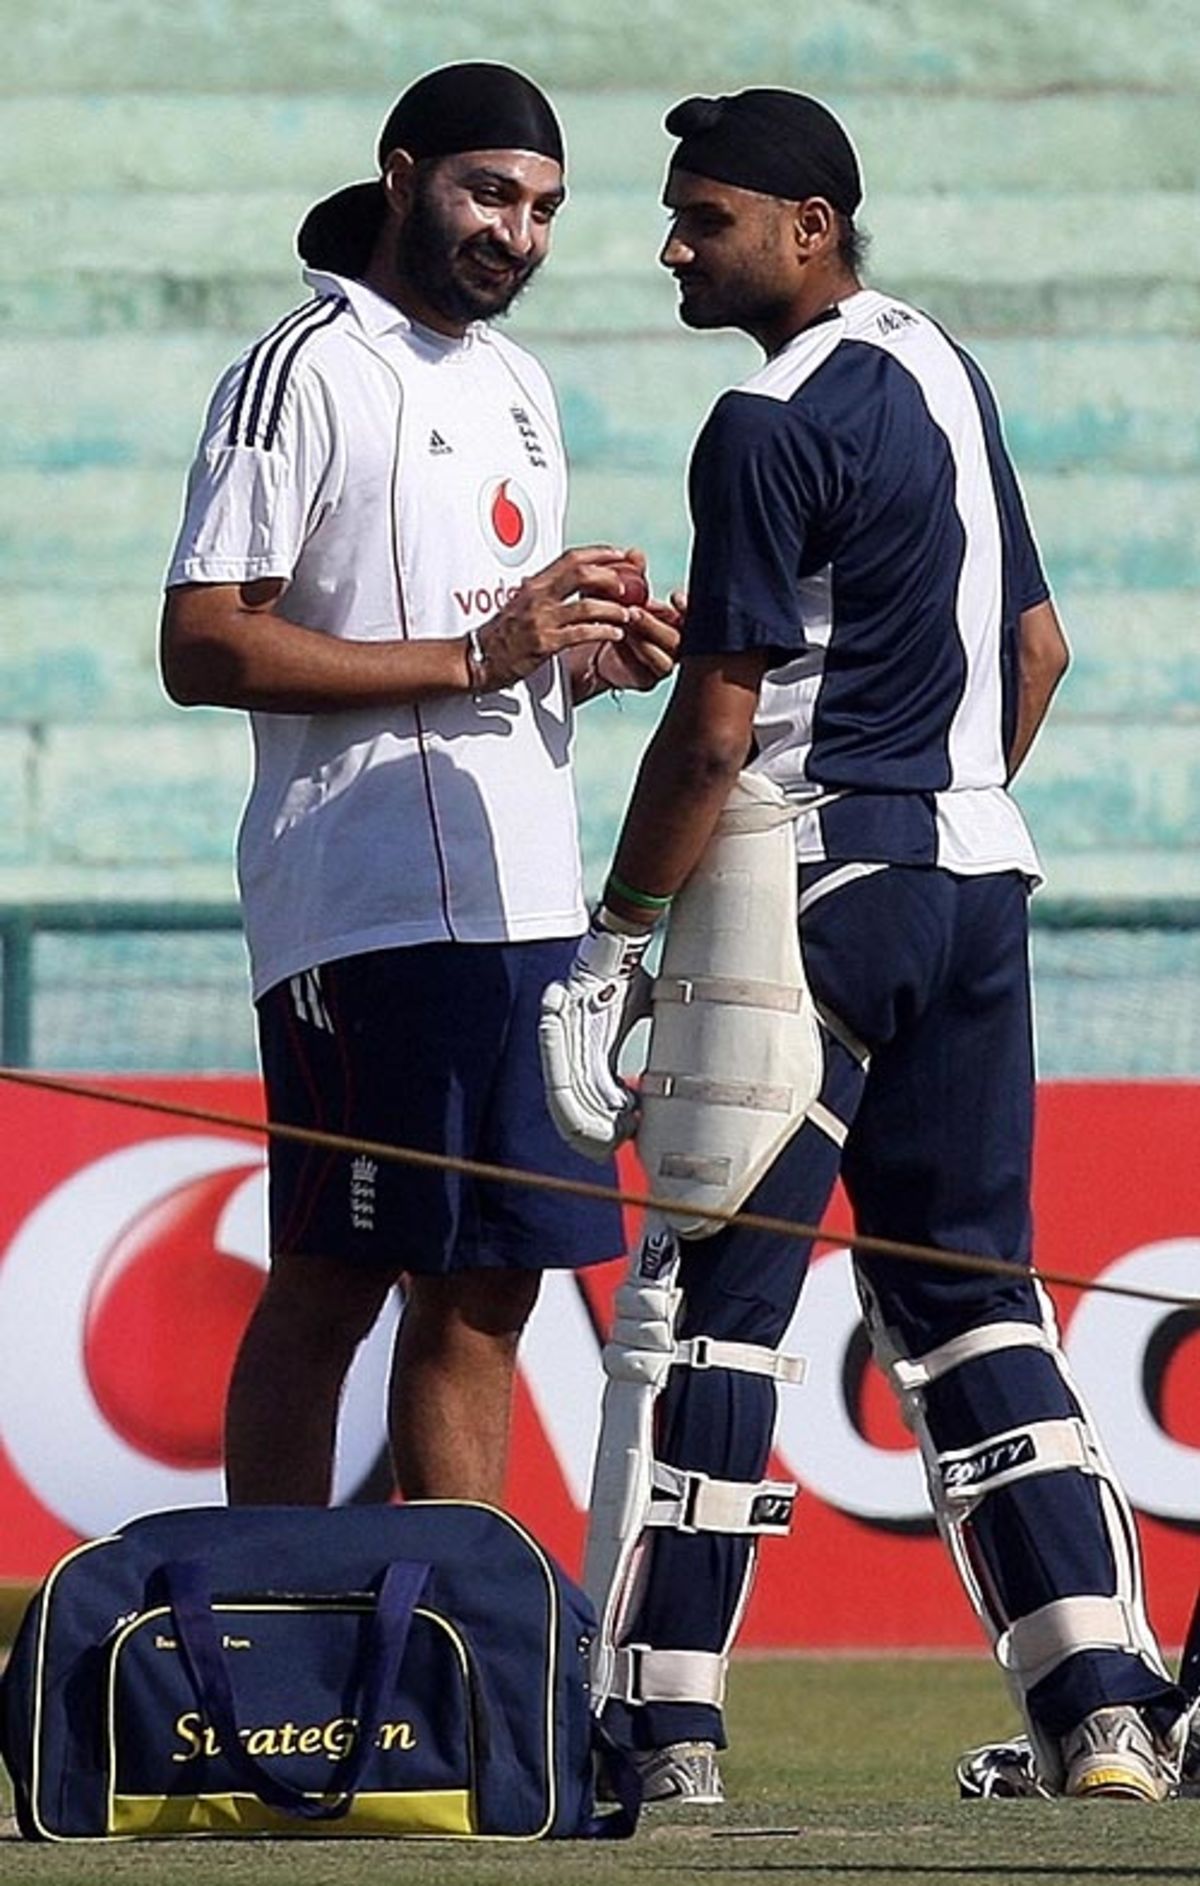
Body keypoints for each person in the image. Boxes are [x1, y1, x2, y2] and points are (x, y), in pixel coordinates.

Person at [540, 88, 1188, 1805]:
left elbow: (714, 723)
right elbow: (1040, 650)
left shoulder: (764, 419)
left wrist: (616, 937)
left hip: (807, 877)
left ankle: (657, 1729)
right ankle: (1104, 1706)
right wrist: (933, 803)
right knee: (974, 1300)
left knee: (705, 1301)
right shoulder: (945, 370)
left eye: (708, 219)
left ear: (810, 226)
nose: (674, 245)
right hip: (979, 872)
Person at [159, 62, 678, 1511]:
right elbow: (201, 641)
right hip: (367, 904)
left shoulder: (520, 386)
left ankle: (457, 1652)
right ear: (402, 178)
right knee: (334, 1276)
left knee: (490, 1289)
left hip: (528, 900)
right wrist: (476, 648)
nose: (517, 232)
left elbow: (490, 646)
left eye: (545, 209)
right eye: (490, 192)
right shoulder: (303, 364)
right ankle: (263, 1629)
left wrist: (577, 654)